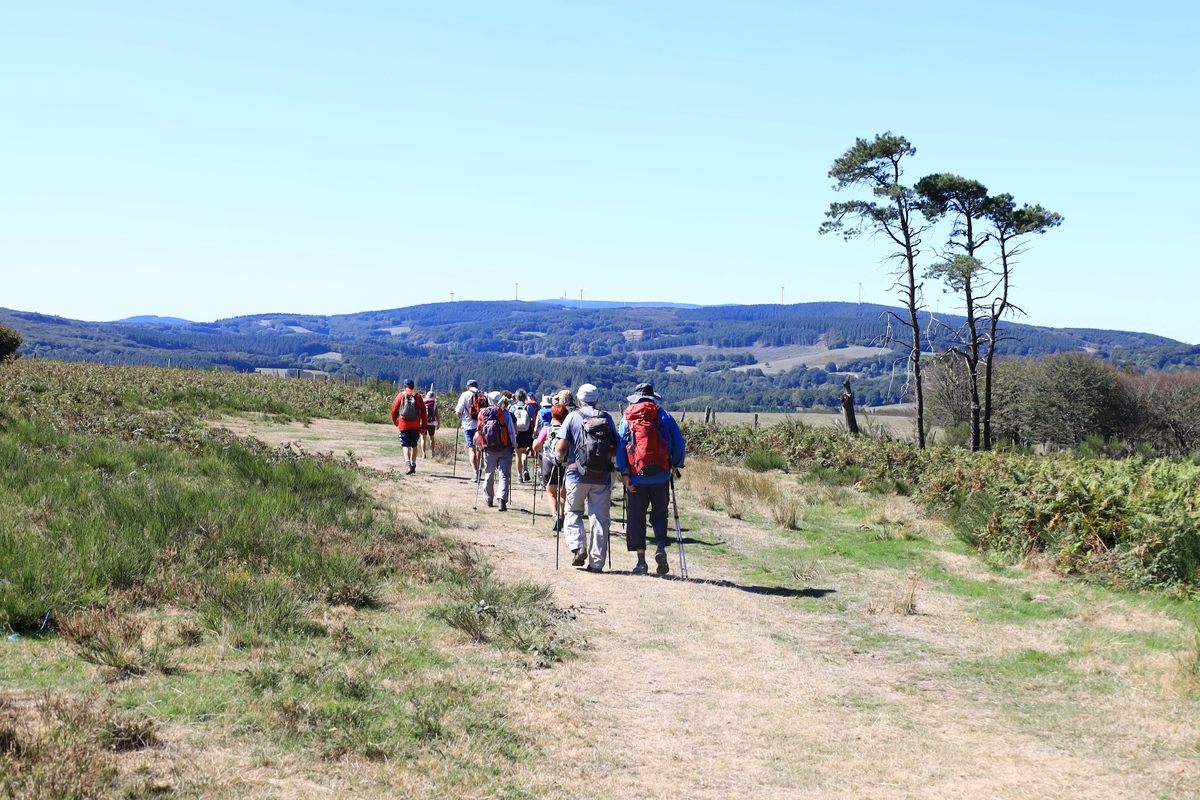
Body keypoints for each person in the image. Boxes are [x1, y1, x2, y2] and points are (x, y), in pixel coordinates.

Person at [617, 382, 686, 575]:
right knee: (660, 514)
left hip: (637, 478)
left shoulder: (628, 417)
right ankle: (661, 548)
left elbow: (621, 448)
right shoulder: (664, 415)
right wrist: (675, 465)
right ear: (652, 397)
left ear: (636, 398)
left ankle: (641, 562)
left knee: (636, 518)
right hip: (662, 475)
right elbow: (679, 445)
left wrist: (624, 474)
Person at [555, 383, 618, 572]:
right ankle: (597, 563)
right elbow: (616, 445)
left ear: (579, 400)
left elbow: (560, 448)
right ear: (597, 399)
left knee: (573, 511)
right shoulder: (606, 418)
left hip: (576, 474)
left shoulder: (573, 416)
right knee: (599, 519)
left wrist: (560, 461)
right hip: (602, 476)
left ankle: (578, 546)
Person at [475, 391, 517, 511]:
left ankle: (489, 499)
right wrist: (514, 445)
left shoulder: (483, 413)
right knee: (504, 475)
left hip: (489, 448)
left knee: (489, 473)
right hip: (505, 447)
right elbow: (511, 432)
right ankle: (502, 500)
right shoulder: (505, 413)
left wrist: (480, 445)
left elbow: (479, 431)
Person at [532, 402, 569, 530]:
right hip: (565, 463)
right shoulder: (568, 430)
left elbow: (536, 447)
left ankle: (555, 515)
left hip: (548, 463)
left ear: (552, 415)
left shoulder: (546, 429)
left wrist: (537, 444)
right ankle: (562, 515)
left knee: (551, 492)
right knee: (563, 492)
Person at [390, 378, 428, 475]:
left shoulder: (401, 395)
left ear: (404, 386)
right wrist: (424, 426)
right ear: (413, 386)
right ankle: (413, 464)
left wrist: (395, 421)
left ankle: (408, 464)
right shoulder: (418, 396)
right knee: (414, 445)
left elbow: (394, 409)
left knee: (405, 445)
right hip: (415, 426)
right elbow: (424, 412)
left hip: (403, 425)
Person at [454, 380, 484, 479]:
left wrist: (459, 415)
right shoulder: (482, 394)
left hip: (468, 425)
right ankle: (480, 469)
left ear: (468, 386)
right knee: (479, 448)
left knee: (472, 449)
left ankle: (475, 473)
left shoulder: (465, 395)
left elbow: (458, 411)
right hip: (480, 425)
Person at [511, 389, 535, 482]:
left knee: (518, 454)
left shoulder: (512, 408)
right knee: (524, 452)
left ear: (516, 397)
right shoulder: (529, 407)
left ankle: (519, 477)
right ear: (525, 397)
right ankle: (525, 468)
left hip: (516, 433)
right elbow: (533, 420)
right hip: (527, 432)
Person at [421, 387, 438, 458]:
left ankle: (423, 453)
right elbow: (436, 414)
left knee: (423, 438)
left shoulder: (423, 402)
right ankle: (432, 453)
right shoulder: (435, 403)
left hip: (423, 422)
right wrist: (438, 422)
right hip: (432, 423)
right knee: (432, 438)